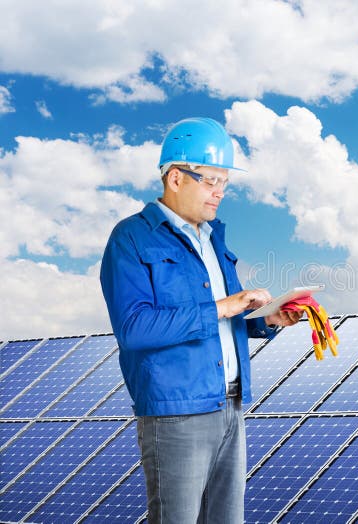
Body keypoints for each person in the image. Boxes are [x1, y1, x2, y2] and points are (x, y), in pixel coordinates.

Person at [100, 117, 301, 523]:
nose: (220, 192)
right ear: (176, 178)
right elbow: (135, 329)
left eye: (224, 182)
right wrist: (223, 306)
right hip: (176, 413)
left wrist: (268, 320)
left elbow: (226, 319)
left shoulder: (213, 240)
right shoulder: (132, 238)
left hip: (231, 406)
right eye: (211, 181)